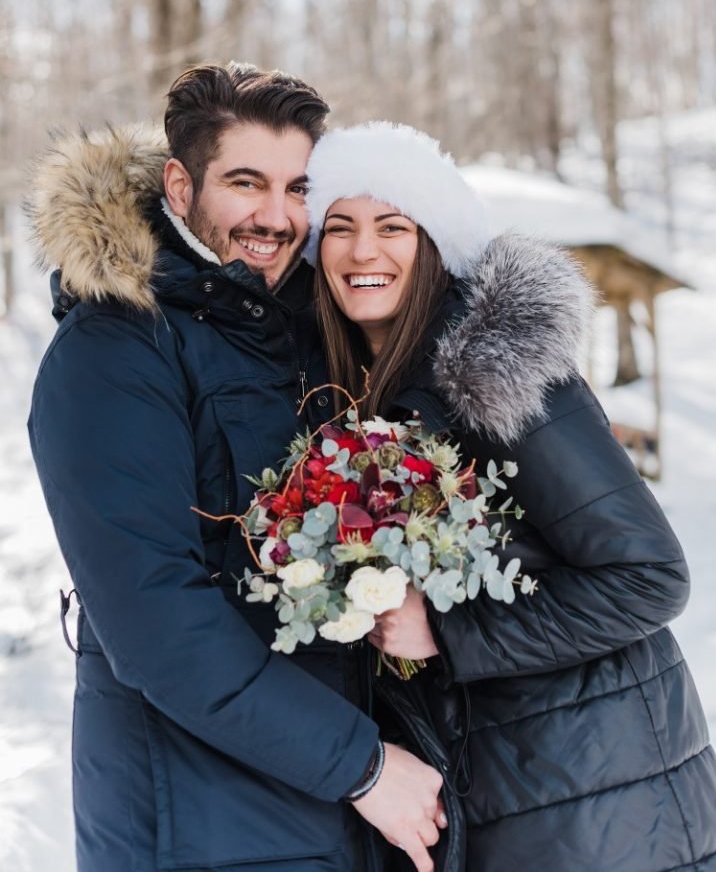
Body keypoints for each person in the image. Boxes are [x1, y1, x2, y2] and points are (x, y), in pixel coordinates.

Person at [303, 120, 716, 872]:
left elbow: (648, 576)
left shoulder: (496, 371)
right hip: (510, 790)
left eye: (392, 225)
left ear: (435, 243)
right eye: (339, 228)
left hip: (605, 794)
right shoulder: (357, 396)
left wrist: (451, 633)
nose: (362, 251)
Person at [26, 66, 445, 872]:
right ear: (179, 186)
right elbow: (155, 623)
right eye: (246, 183)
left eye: (298, 188)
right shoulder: (117, 349)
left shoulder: (305, 330)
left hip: (320, 805)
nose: (278, 216)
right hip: (194, 821)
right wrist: (362, 766)